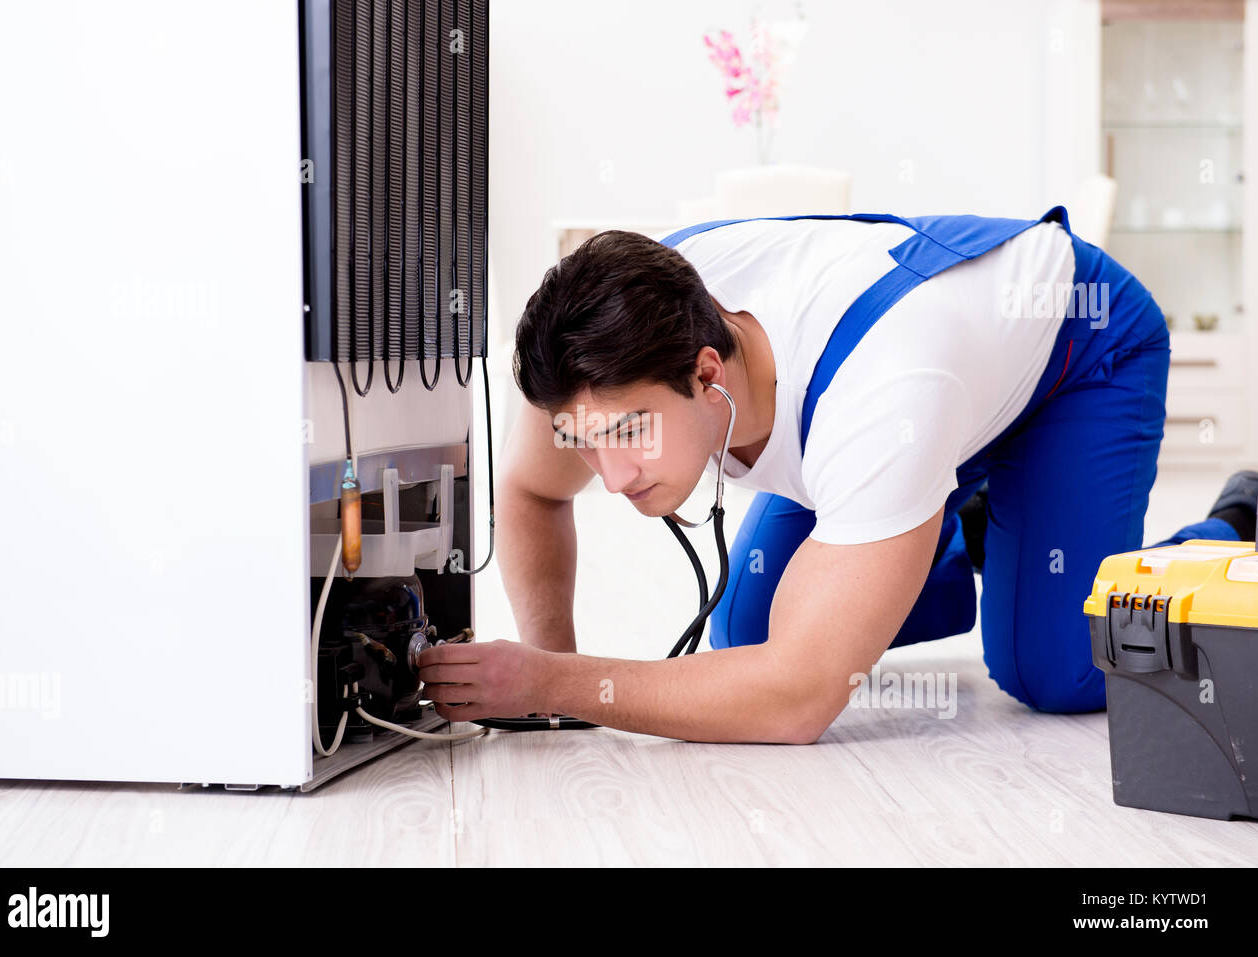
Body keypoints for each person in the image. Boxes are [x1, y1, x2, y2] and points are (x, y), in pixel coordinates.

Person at [415, 206, 1258, 744]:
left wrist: (558, 680)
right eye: (583, 439)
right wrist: (549, 673)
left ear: (708, 374)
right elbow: (530, 489)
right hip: (923, 402)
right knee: (744, 641)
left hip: (1079, 349)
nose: (607, 472)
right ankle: (945, 519)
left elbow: (796, 699)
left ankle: (1236, 521)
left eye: (630, 434)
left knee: (1055, 671)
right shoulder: (601, 345)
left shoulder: (885, 391)